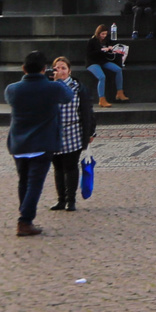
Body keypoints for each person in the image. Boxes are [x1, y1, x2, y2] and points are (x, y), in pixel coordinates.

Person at [5, 50, 71, 236]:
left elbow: (12, 98)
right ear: (44, 69)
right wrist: (57, 79)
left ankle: (25, 216)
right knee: (35, 183)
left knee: (23, 181)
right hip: (42, 143)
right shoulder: (53, 88)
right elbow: (68, 97)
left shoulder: (12, 89)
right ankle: (25, 220)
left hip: (19, 144)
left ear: (24, 68)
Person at [47, 57, 95, 211]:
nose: (60, 71)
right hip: (54, 133)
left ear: (69, 71)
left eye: (63, 68)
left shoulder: (78, 88)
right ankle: (61, 199)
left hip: (73, 130)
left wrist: (91, 131)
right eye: (57, 68)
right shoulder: (48, 87)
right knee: (58, 167)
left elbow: (88, 110)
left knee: (70, 166)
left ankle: (71, 200)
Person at [85, 24, 127, 106]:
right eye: (102, 34)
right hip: (92, 62)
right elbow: (89, 54)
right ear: (98, 33)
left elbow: (107, 49)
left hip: (102, 61)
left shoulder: (105, 40)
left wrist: (111, 49)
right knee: (102, 77)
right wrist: (102, 50)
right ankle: (102, 99)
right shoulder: (92, 41)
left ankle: (119, 92)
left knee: (118, 69)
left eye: (105, 34)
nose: (104, 36)